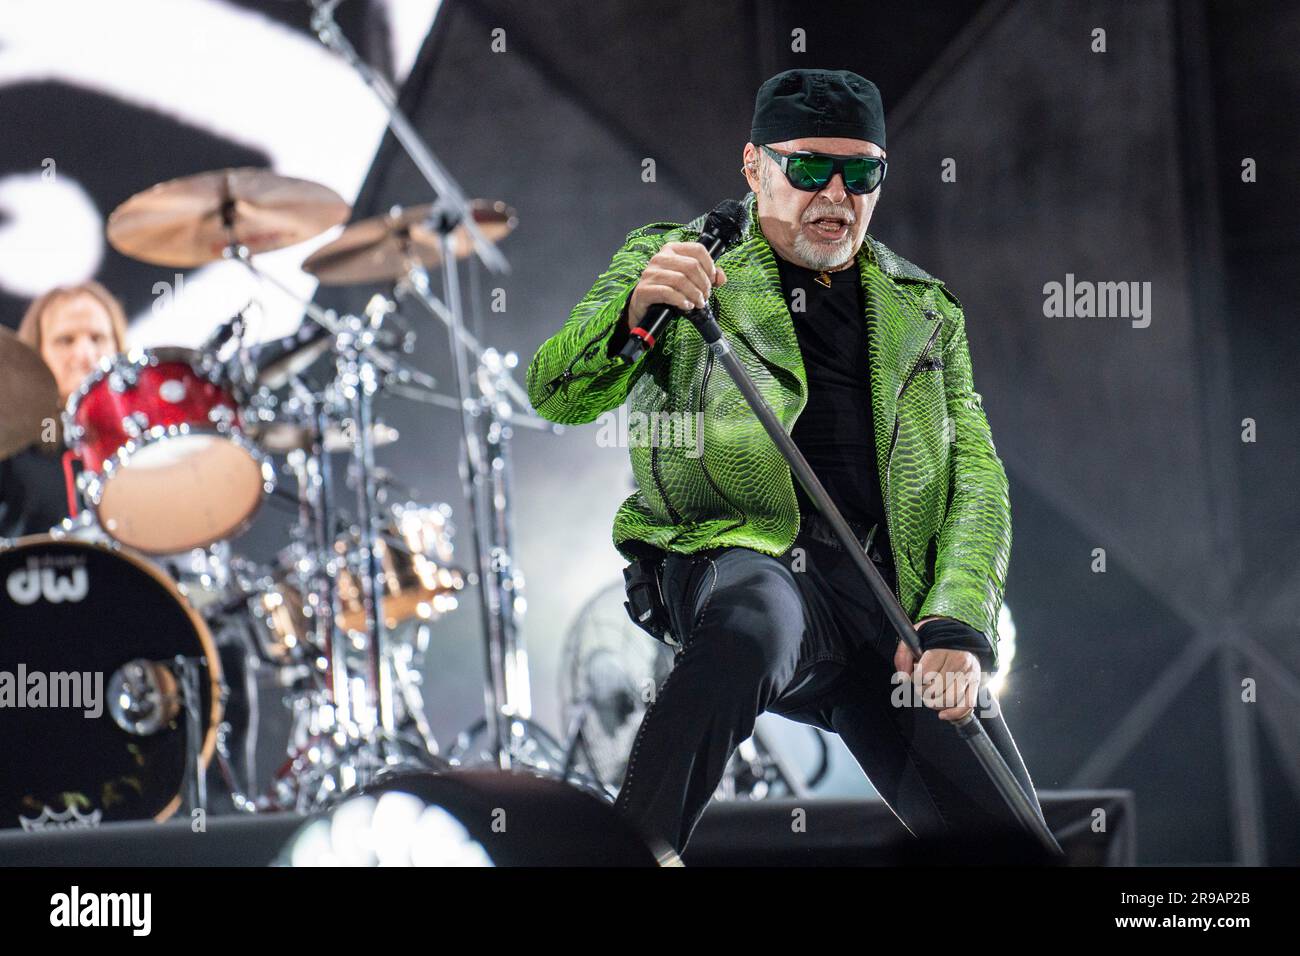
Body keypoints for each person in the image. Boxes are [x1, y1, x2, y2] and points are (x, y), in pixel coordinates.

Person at [528, 69, 1047, 859]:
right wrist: (635, 310)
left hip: (883, 598)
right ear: (754, 166)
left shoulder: (925, 307)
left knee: (1008, 839)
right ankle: (628, 854)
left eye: (860, 174)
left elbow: (976, 477)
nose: (835, 194)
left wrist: (956, 624)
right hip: (743, 552)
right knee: (755, 627)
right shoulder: (680, 257)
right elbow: (556, 393)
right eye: (808, 167)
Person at [0, 281, 127, 539]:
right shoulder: (11, 447)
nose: (85, 355)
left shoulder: (142, 443)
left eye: (97, 338)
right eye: (65, 340)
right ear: (32, 356)